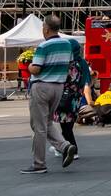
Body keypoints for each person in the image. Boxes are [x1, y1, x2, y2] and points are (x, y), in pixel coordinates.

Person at [21, 17, 76, 172]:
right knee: (47, 122)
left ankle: (39, 163)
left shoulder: (43, 46)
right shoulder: (67, 44)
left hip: (41, 87)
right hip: (58, 87)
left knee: (38, 126)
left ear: (46, 28)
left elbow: (36, 69)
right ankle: (65, 146)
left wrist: (29, 65)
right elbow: (70, 64)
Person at [53, 37, 94, 156]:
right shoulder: (82, 63)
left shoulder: (70, 64)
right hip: (75, 99)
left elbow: (63, 80)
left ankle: (72, 150)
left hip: (65, 98)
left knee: (66, 127)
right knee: (68, 126)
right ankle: (64, 148)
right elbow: (86, 81)